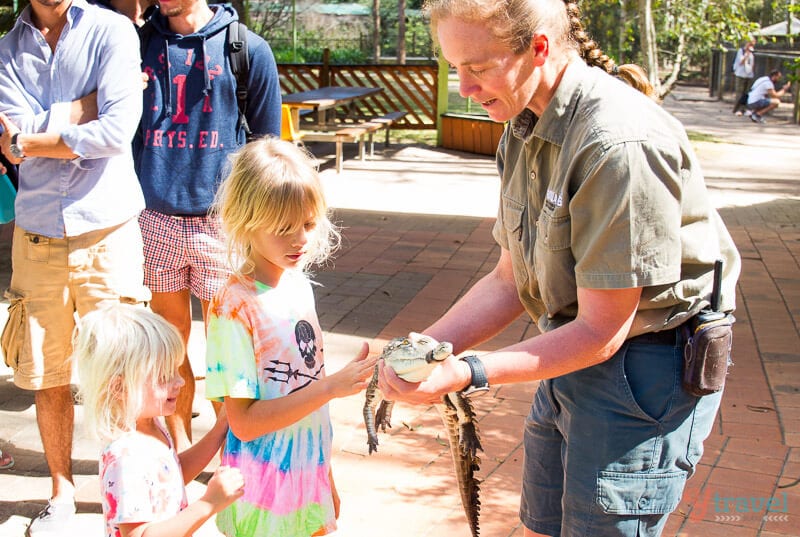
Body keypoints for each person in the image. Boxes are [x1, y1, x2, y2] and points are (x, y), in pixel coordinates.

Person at [378, 1, 742, 536]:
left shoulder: (617, 143)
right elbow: (508, 280)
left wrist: (471, 371)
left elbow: (603, 330)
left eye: (478, 67)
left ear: (539, 49)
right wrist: (419, 349)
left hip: (643, 371)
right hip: (565, 353)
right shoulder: (522, 122)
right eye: (455, 67)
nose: (465, 87)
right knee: (541, 527)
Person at [0, 0, 151, 534]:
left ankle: (127, 490)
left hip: (107, 229)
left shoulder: (112, 30)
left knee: (122, 370)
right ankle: (61, 496)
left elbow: (117, 132)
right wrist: (83, 108)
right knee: (47, 373)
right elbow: (11, 142)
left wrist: (37, 136)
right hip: (36, 234)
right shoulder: (7, 48)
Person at [204, 137, 377, 536]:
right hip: (263, 490)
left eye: (308, 224)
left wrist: (325, 478)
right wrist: (331, 387)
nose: (300, 239)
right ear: (244, 219)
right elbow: (243, 423)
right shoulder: (235, 307)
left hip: (306, 476)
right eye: (284, 229)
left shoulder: (298, 285)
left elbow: (306, 394)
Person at [134, 0, 282, 452]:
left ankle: (234, 448)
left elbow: (267, 146)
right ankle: (180, 447)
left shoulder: (246, 49)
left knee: (228, 346)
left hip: (221, 222)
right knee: (169, 341)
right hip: (153, 215)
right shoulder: (134, 44)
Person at [73, 303, 245, 537]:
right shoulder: (126, 458)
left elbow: (171, 476)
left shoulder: (152, 425)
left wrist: (218, 431)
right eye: (164, 376)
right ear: (119, 387)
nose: (179, 382)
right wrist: (208, 503)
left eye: (175, 370)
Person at [732, 38, 756, 115]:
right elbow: (741, 62)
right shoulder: (741, 51)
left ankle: (743, 109)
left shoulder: (752, 53)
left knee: (746, 93)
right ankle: (737, 109)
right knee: (739, 92)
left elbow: (752, 64)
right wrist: (747, 54)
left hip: (748, 75)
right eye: (750, 44)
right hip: (740, 74)